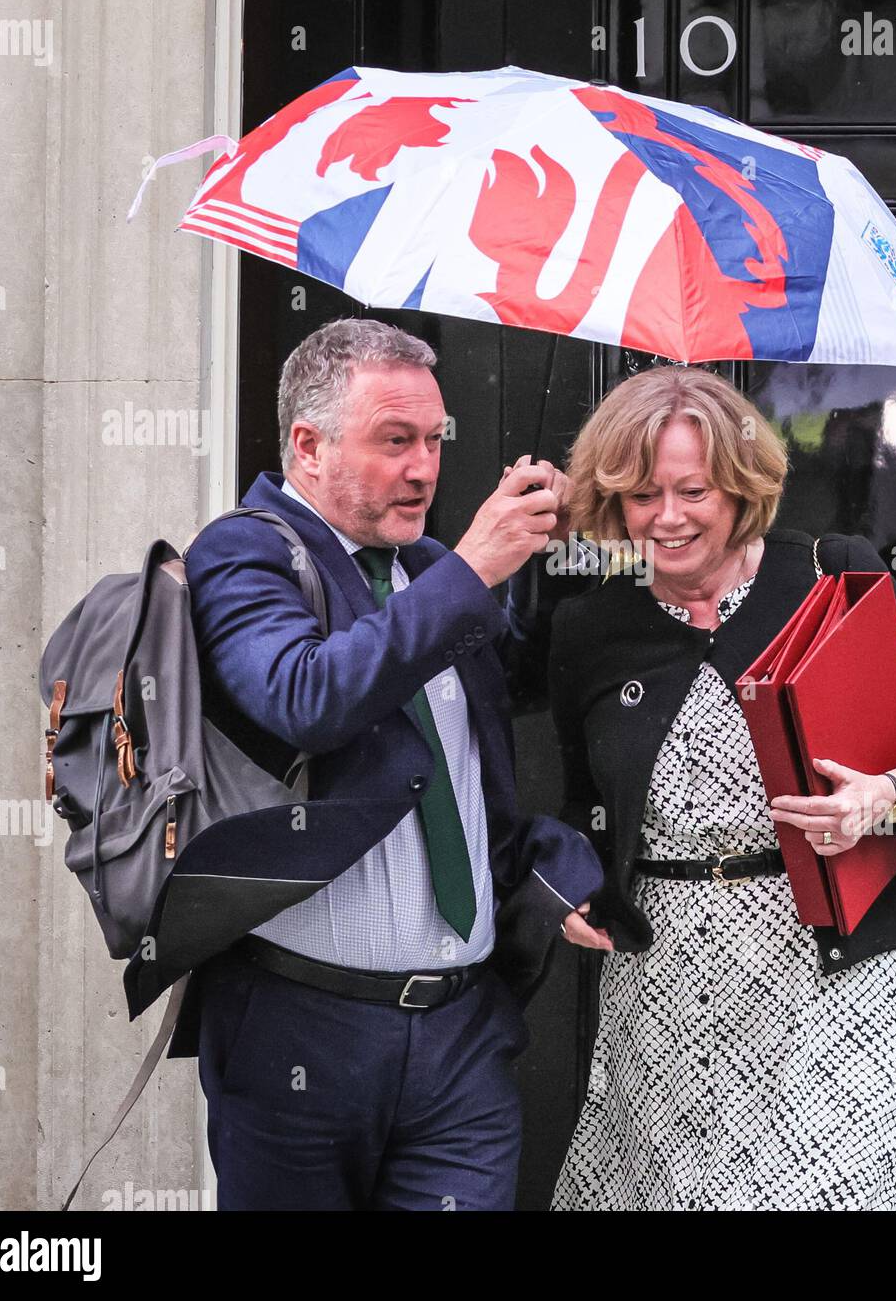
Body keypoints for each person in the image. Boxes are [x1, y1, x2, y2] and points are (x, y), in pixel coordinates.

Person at [546, 365, 896, 1211]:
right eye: (644, 494)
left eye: (694, 489)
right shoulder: (590, 626)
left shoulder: (831, 578)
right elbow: (583, 809)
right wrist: (570, 890)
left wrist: (884, 795)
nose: (670, 517)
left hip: (839, 974)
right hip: (666, 985)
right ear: (612, 501)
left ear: (741, 486)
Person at [179, 317, 602, 1210]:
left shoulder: (436, 569)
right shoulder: (244, 550)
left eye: (433, 440)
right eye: (394, 441)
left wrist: (548, 552)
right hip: (298, 1030)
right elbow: (307, 697)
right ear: (308, 444)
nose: (424, 467)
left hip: (461, 1043)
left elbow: (506, 717)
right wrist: (475, 568)